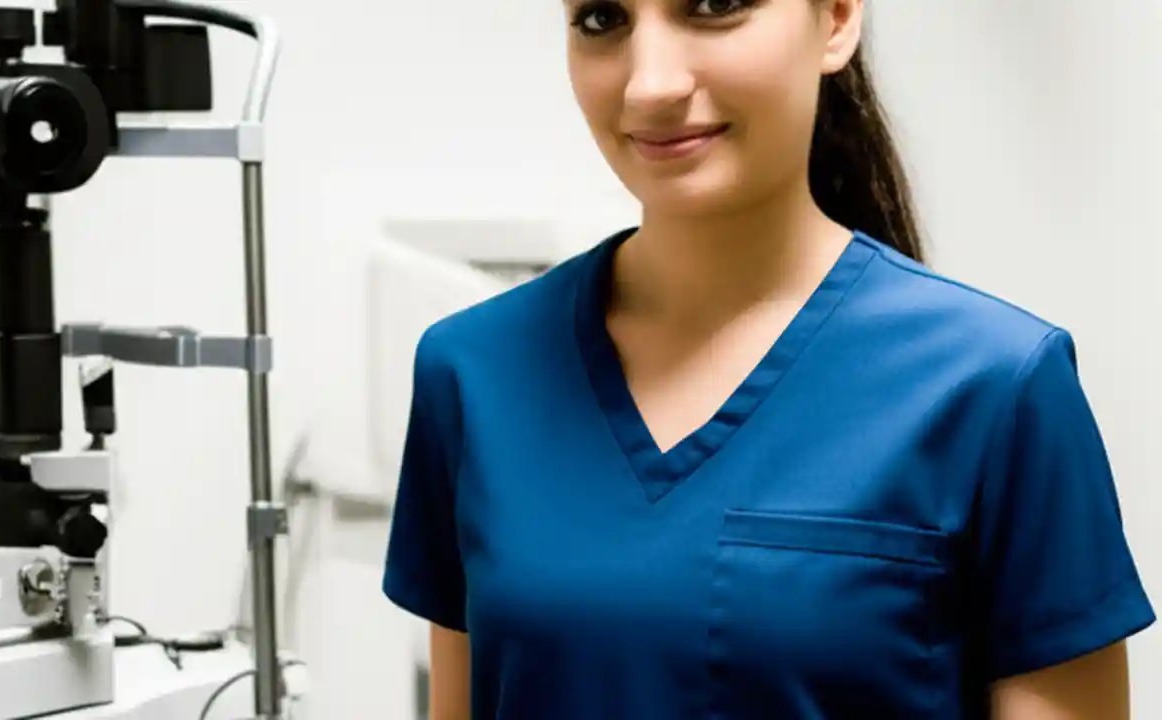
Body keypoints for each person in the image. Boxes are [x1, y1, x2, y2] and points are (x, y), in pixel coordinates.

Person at [381, 0, 1157, 717]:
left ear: (837, 19)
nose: (650, 84)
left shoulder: (994, 386)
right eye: (602, 18)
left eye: (715, 4)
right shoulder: (473, 374)